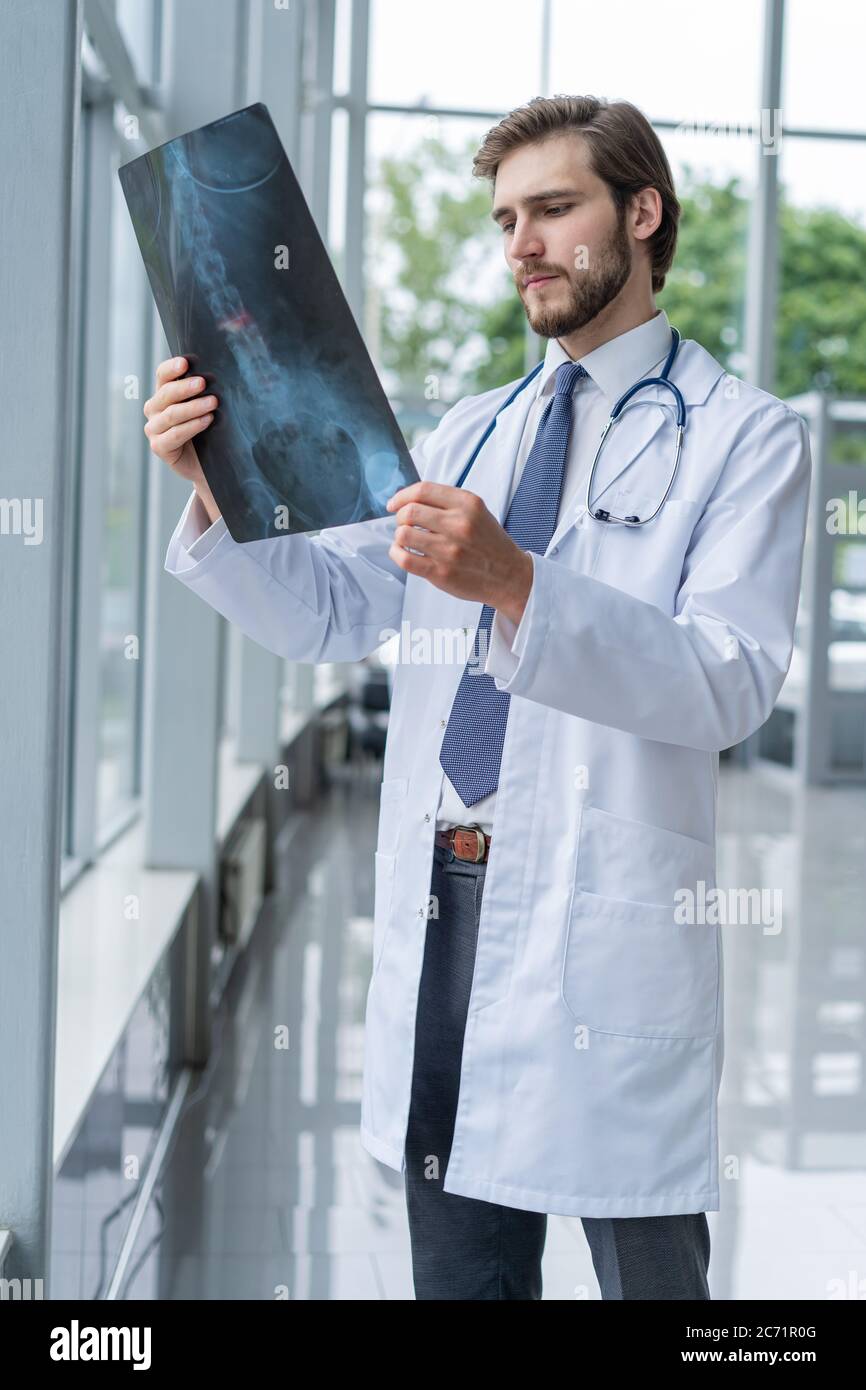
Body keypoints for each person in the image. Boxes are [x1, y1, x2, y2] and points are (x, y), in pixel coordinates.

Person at [146, 95, 811, 1300]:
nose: (521, 245)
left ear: (640, 213)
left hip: (601, 923)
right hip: (444, 903)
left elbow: (726, 678)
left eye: (553, 209)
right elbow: (334, 611)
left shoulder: (744, 439)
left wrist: (514, 582)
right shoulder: (469, 431)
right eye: (506, 218)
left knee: (650, 1279)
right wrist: (215, 491)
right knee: (461, 1272)